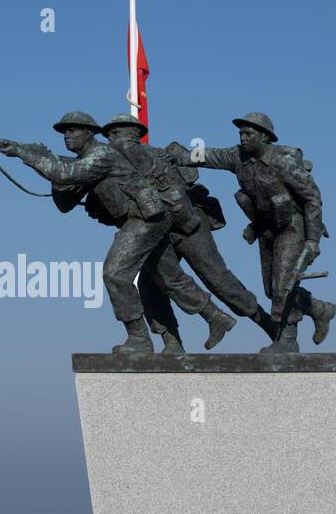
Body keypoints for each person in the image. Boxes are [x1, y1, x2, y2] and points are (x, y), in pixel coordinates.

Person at [44, 111, 237, 353]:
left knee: (115, 274)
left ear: (90, 133)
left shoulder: (102, 155)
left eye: (72, 130)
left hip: (144, 221)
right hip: (148, 221)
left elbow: (64, 174)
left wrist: (31, 157)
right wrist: (52, 170)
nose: (67, 136)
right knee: (170, 279)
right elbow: (64, 203)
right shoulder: (89, 162)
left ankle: (139, 339)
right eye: (64, 132)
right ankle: (216, 317)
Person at [172, 112, 336, 352]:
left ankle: (287, 342)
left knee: (283, 286)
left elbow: (312, 197)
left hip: (293, 227)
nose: (243, 137)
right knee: (272, 290)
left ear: (265, 137)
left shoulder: (282, 162)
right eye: (241, 133)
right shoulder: (237, 157)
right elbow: (208, 156)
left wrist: (312, 239)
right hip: (267, 228)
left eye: (248, 133)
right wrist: (182, 156)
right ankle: (320, 309)